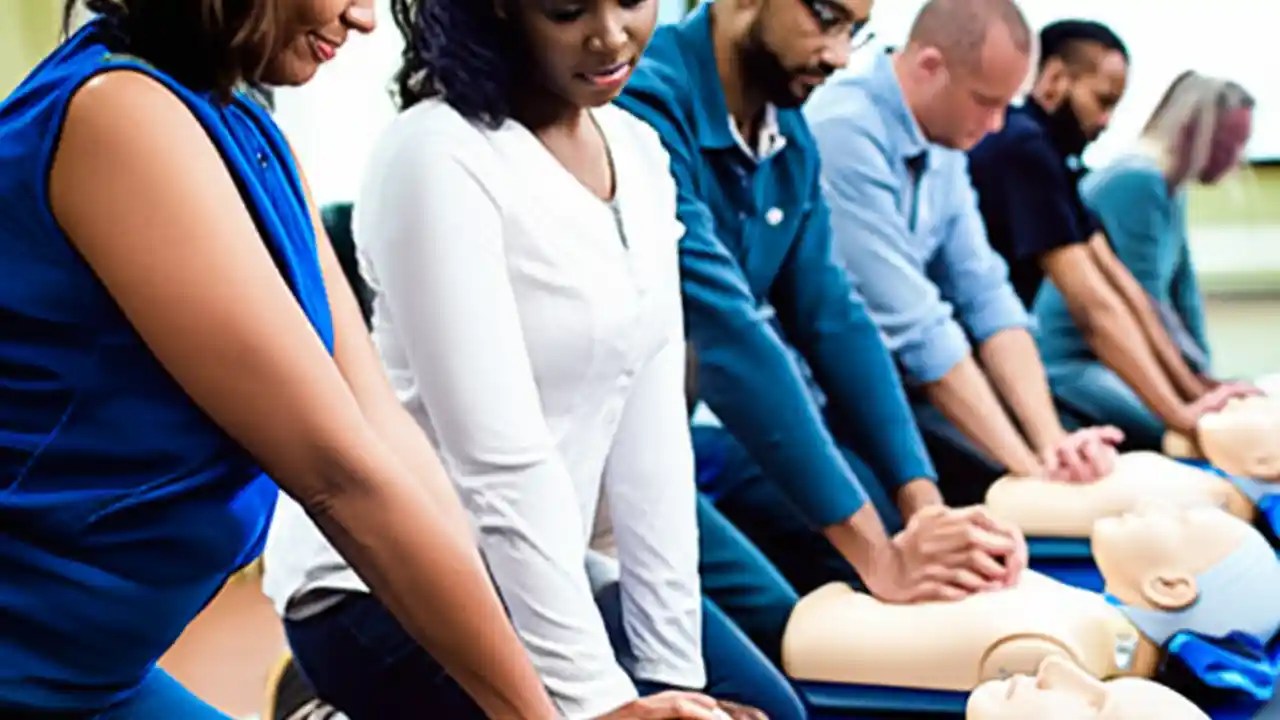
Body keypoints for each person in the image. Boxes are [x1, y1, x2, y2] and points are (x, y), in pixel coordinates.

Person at [0, 0, 562, 718]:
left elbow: (380, 432)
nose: (364, 18)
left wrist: (548, 698)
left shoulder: (248, 128)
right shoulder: (117, 114)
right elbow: (339, 478)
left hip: (95, 673)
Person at [261, 1, 802, 719]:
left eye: (632, 1)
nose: (610, 36)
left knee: (768, 712)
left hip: (542, 568)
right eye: (567, 9)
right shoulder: (436, 155)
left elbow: (653, 441)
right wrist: (598, 704)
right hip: (383, 589)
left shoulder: (638, 152)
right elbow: (499, 462)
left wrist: (676, 675)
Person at [616, 0, 1027, 662]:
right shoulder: (644, 103)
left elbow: (834, 318)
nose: (838, 55)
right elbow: (727, 334)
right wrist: (880, 558)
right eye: (826, 17)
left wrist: (924, 505)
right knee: (797, 647)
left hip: (658, 455)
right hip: (594, 471)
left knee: (818, 619)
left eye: (854, 33)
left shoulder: (788, 136)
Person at [805, 0, 1123, 507]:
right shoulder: (844, 129)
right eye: (986, 102)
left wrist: (1051, 445)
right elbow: (918, 327)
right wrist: (1029, 472)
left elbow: (987, 295)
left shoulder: (943, 142)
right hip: (817, 409)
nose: (998, 125)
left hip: (896, 394)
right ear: (931, 67)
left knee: (1011, 477)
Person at [968, 23, 1251, 451]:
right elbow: (1094, 309)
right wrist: (1178, 414)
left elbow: (1128, 293)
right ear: (1055, 78)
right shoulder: (1023, 148)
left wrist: (1196, 390)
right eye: (1101, 101)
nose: (1105, 121)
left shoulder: (1058, 161)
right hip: (986, 365)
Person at [1032, 71, 1260, 450]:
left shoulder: (1172, 188)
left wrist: (1208, 378)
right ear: (1192, 132)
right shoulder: (1138, 182)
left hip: (1117, 356)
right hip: (1072, 362)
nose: (1237, 159)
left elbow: (1183, 297)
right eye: (1228, 144)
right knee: (1170, 437)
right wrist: (1192, 395)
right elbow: (1147, 308)